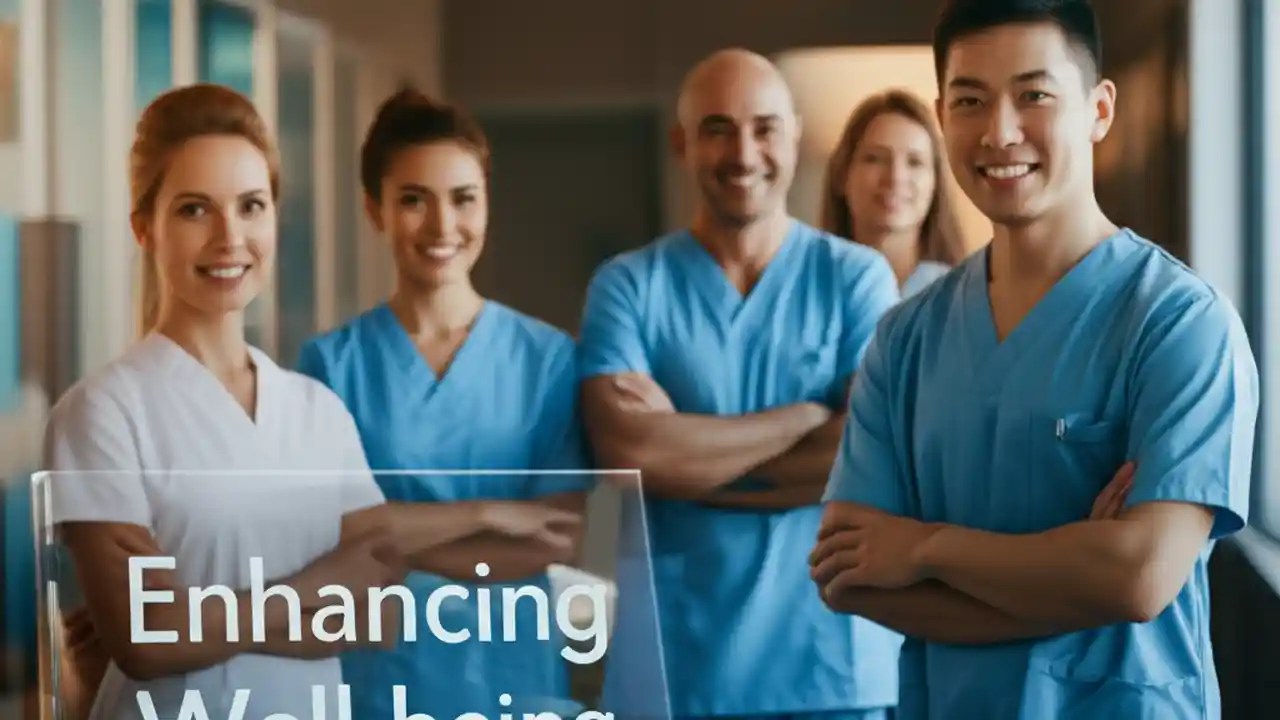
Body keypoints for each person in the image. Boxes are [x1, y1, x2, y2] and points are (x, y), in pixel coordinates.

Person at [812, 1, 1259, 719]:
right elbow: (849, 578)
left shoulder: (1179, 323)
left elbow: (1141, 578)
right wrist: (1077, 569)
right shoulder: (906, 338)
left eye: (1034, 95)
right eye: (970, 101)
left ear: (1099, 109)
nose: (1000, 131)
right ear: (942, 115)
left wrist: (923, 547)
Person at [41, 84, 403, 720]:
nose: (229, 237)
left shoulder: (318, 411)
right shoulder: (102, 413)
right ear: (144, 228)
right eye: (194, 210)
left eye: (251, 206)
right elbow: (146, 641)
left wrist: (197, 616)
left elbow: (382, 612)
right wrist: (321, 592)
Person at [579, 49, 902, 720]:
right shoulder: (631, 286)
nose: (743, 150)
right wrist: (811, 415)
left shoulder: (856, 278)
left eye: (763, 127)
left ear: (794, 135)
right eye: (717, 128)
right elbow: (630, 457)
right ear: (681, 143)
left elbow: (869, 455)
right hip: (678, 669)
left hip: (831, 673)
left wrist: (687, 461)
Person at [297, 88, 590, 720]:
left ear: (488, 203)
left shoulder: (546, 359)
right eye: (413, 200)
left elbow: (556, 541)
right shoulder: (331, 366)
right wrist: (489, 513)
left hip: (512, 673)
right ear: (374, 210)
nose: (441, 227)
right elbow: (327, 540)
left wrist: (397, 539)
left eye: (463, 199)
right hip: (379, 677)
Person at [820, 90, 968, 297]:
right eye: (875, 159)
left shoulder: (964, 298)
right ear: (842, 175)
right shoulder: (805, 289)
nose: (895, 177)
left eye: (914, 162)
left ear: (936, 184)